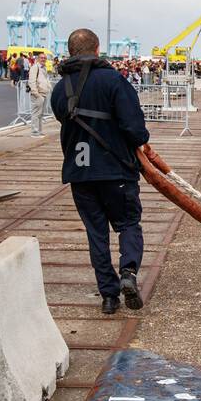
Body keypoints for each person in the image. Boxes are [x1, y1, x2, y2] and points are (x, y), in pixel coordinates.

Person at [51, 28, 150, 316]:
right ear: (97, 50)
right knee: (129, 223)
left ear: (70, 52)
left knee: (97, 235)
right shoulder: (114, 81)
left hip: (79, 175)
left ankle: (108, 296)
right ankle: (128, 272)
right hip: (116, 170)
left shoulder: (60, 89)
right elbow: (135, 128)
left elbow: (63, 119)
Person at [28, 53, 50, 136]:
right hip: (38, 95)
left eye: (45, 58)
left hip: (44, 94)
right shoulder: (35, 68)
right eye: (41, 58)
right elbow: (32, 81)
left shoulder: (44, 68)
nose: (43, 59)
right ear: (37, 59)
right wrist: (36, 94)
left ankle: (39, 131)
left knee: (40, 114)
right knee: (36, 114)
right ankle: (34, 132)